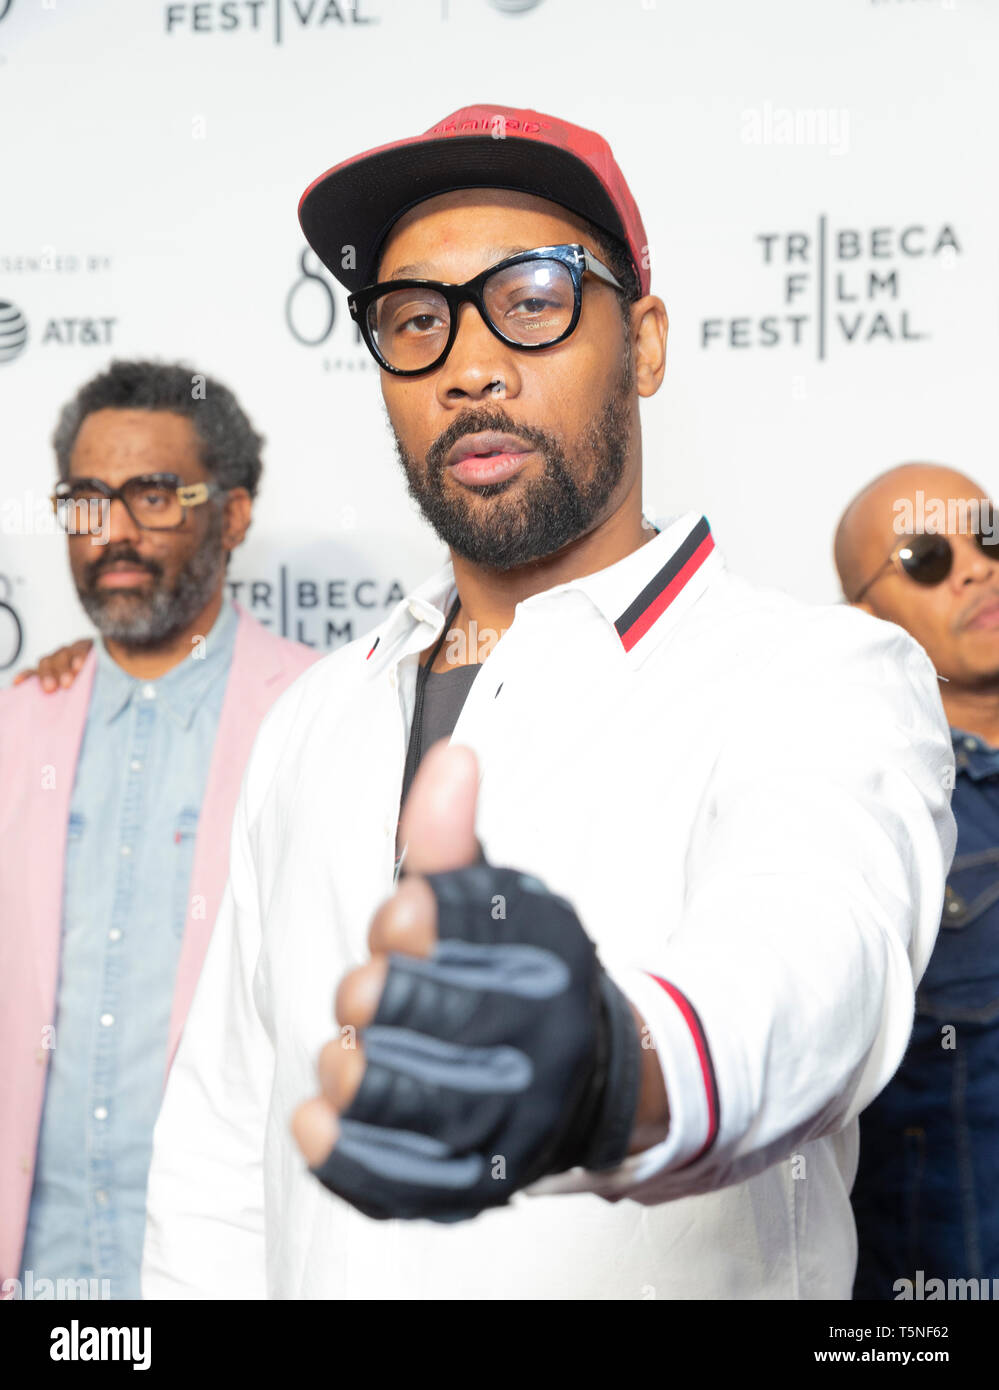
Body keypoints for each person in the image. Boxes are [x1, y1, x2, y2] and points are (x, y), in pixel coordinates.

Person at [141, 105, 955, 1300]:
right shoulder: (314, 716)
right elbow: (223, 1151)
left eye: (532, 299)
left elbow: (814, 965)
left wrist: (611, 1076)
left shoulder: (819, 676)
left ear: (649, 343)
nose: (467, 363)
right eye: (415, 319)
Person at [0, 360, 318, 1300]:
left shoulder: (319, 715)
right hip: (42, 1274)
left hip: (231, 1271)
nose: (115, 533)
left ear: (232, 514)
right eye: (88, 498)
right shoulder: (20, 724)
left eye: (152, 495)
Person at [836, 462, 999, 1298]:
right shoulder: (863, 819)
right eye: (925, 557)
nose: (975, 567)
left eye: (989, 536)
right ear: (868, 620)